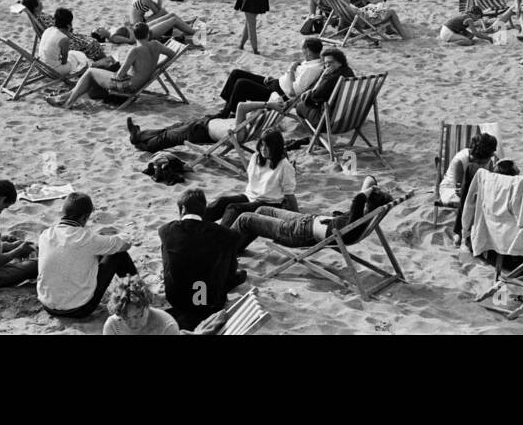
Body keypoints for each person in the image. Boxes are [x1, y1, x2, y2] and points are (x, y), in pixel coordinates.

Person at [37, 192, 136, 319]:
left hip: (47, 305)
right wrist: (126, 234)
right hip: (79, 309)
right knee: (118, 254)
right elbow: (124, 243)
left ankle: (134, 290)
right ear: (84, 217)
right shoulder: (86, 238)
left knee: (89, 254)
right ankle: (136, 291)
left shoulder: (45, 235)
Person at [157, 188, 245, 331]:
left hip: (177, 299)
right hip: (208, 301)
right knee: (233, 268)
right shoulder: (224, 234)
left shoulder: (165, 230)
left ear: (183, 209)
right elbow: (230, 265)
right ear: (203, 209)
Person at [232, 176, 392, 253]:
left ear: (369, 203)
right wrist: (373, 190)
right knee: (262, 210)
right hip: (305, 221)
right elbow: (369, 180)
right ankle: (235, 249)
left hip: (298, 232)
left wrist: (370, 191)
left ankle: (223, 251)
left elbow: (358, 198)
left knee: (245, 218)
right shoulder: (362, 217)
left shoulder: (358, 219)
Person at [47, 22, 175, 109]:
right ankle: (64, 97)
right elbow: (172, 54)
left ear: (134, 36)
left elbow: (120, 75)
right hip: (138, 83)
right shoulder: (156, 45)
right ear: (148, 34)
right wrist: (157, 66)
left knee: (91, 71)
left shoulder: (135, 51)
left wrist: (115, 70)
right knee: (96, 73)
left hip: (127, 86)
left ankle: (69, 102)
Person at [203, 129, 298, 227]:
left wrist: (297, 216)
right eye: (262, 144)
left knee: (233, 208)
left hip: (269, 202)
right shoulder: (255, 157)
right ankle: (196, 225)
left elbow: (289, 194)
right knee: (221, 201)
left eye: (267, 146)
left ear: (275, 147)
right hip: (250, 196)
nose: (263, 149)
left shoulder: (284, 166)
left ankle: (221, 236)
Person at [216, 37, 324, 118]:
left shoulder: (312, 69)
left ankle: (230, 112)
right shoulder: (310, 61)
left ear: (308, 51)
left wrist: (291, 69)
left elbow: (292, 92)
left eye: (302, 49)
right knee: (236, 73)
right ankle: (228, 109)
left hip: (277, 96)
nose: (301, 51)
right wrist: (275, 79)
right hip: (275, 84)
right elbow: (291, 80)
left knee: (241, 84)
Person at [102, 274, 180, 335]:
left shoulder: (167, 327)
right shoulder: (113, 326)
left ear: (147, 306)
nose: (133, 324)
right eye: (125, 318)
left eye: (138, 316)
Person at [438, 132, 498, 206]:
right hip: (451, 189)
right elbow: (459, 190)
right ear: (480, 157)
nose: (491, 156)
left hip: (474, 192)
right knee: (471, 203)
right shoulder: (460, 161)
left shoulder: (489, 161)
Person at [39, 7, 91, 75]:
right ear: (68, 25)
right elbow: (64, 61)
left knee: (73, 54)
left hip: (42, 65)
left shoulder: (48, 30)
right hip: (54, 70)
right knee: (79, 58)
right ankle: (80, 73)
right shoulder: (64, 39)